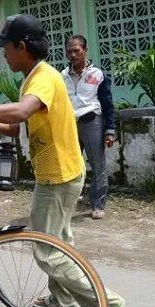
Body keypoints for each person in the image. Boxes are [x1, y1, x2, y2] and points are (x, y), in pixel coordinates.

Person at [0, 14, 133, 307]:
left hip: (58, 176)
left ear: (22, 47)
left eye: (6, 48)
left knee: (47, 251)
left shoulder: (43, 77)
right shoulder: (32, 78)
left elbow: (21, 111)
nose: (3, 55)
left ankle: (109, 304)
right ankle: (62, 299)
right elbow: (16, 124)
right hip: (55, 172)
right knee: (58, 240)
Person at [62, 35, 116, 220]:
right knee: (71, 166)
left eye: (76, 50)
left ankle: (98, 204)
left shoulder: (97, 74)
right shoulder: (62, 76)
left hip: (92, 122)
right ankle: (70, 204)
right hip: (69, 124)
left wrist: (110, 130)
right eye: (69, 51)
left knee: (97, 164)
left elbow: (108, 104)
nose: (73, 54)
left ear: (85, 50)